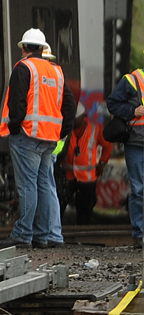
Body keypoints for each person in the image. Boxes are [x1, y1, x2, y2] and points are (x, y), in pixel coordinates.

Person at [0, 27, 77, 249]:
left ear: (24, 48)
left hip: (27, 136)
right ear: (43, 49)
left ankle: (24, 233)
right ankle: (43, 234)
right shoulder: (56, 71)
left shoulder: (24, 68)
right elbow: (69, 105)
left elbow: (17, 105)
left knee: (27, 186)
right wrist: (62, 131)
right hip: (49, 139)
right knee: (44, 185)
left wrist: (15, 127)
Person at [106, 65, 144, 247]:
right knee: (138, 190)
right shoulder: (132, 80)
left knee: (138, 189)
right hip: (136, 143)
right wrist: (132, 112)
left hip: (136, 143)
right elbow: (112, 103)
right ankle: (139, 234)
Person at [61, 103, 110, 226]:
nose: (72, 122)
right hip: (67, 176)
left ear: (83, 117)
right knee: (59, 206)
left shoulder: (95, 130)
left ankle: (82, 235)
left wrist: (102, 163)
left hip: (87, 179)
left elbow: (108, 146)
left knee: (85, 211)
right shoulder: (66, 130)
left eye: (75, 119)